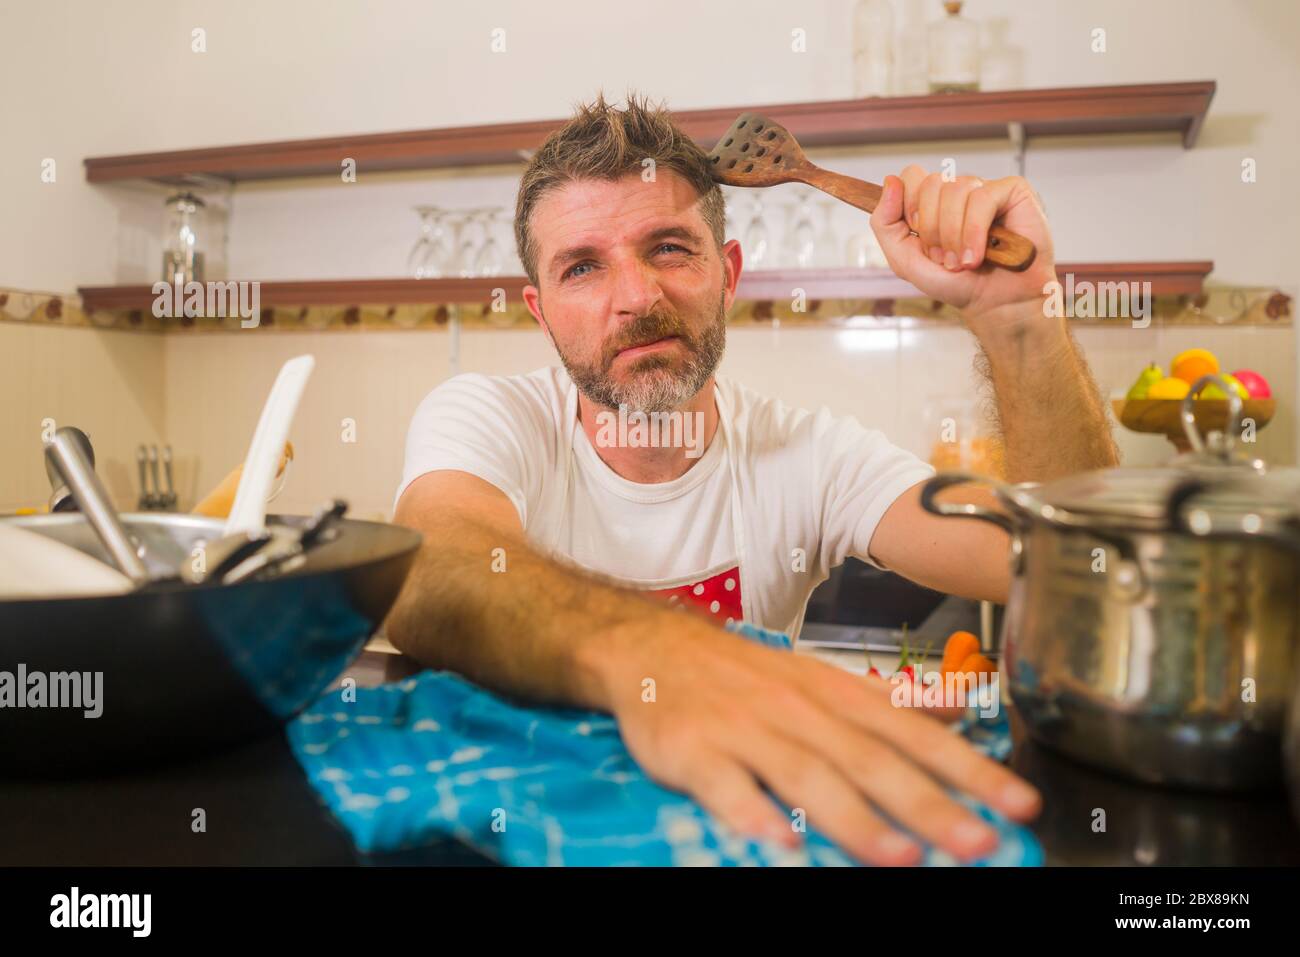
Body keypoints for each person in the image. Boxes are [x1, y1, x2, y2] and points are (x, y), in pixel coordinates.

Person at [387, 93, 1117, 865]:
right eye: (583, 267)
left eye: (669, 247)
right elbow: (431, 566)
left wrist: (1020, 323)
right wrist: (662, 657)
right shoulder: (490, 417)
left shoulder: (810, 453)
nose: (636, 296)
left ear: (727, 274)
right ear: (541, 313)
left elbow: (1077, 570)